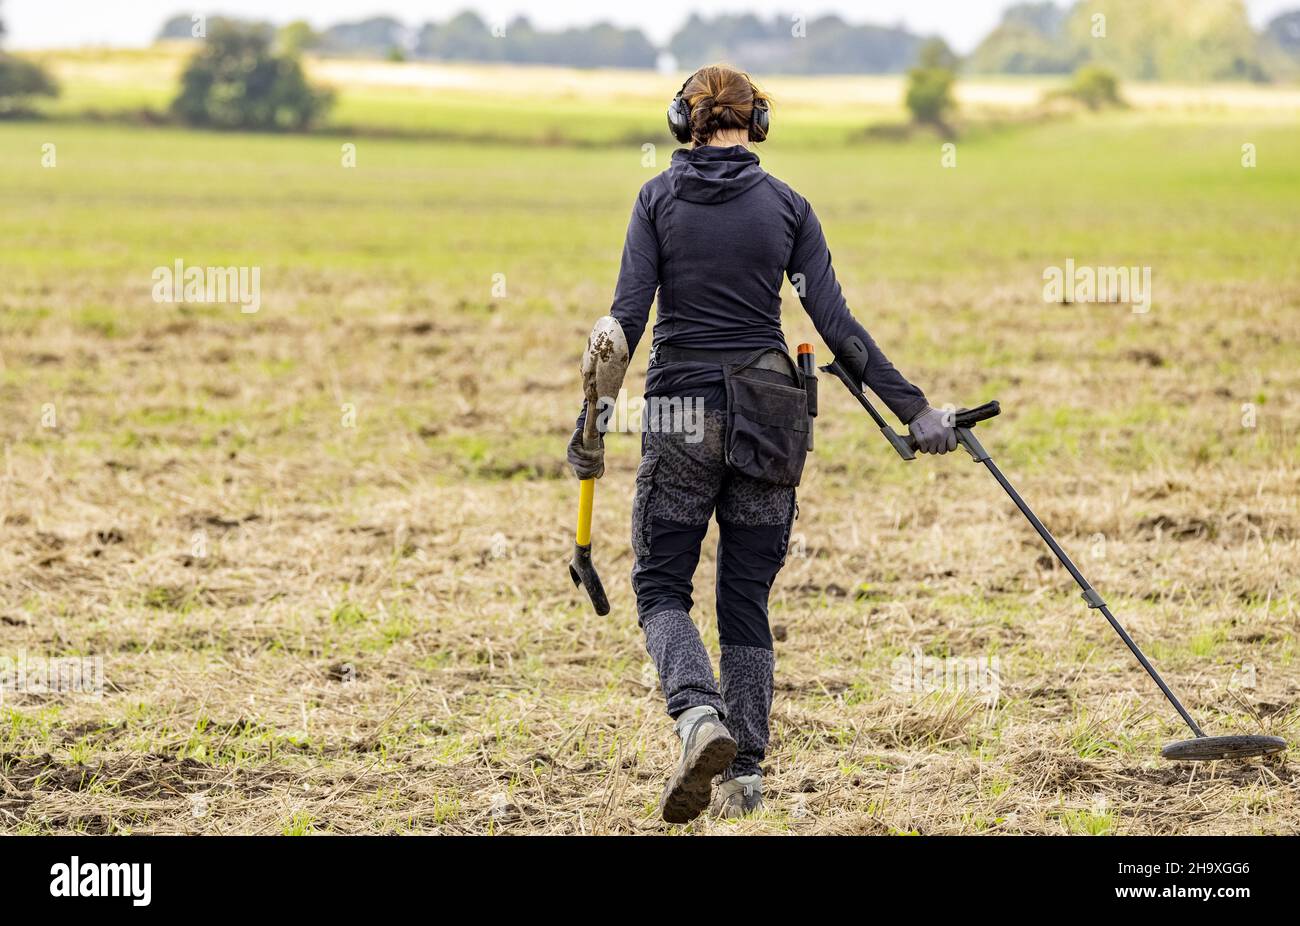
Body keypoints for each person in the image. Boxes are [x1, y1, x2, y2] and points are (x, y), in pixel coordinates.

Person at [567, 64, 956, 824]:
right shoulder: (788, 207)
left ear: (684, 121)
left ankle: (698, 717)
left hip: (680, 413)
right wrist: (915, 411)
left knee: (659, 589)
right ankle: (744, 777)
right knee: (744, 594)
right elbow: (837, 329)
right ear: (760, 123)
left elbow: (621, 329)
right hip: (770, 415)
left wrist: (591, 429)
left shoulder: (654, 201)